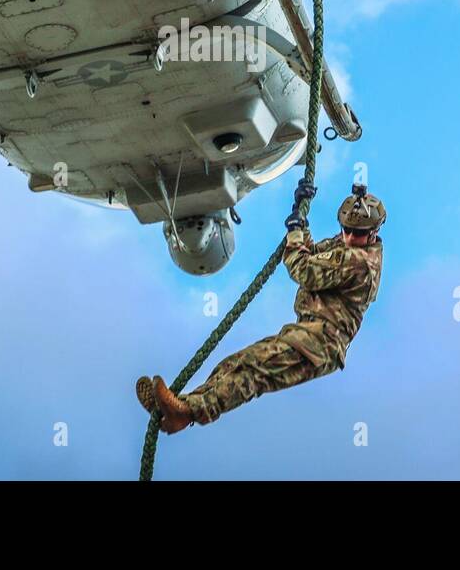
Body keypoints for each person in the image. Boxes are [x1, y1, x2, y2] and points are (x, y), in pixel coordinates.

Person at [136, 184, 386, 431]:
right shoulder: (347, 247)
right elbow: (313, 252)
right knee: (237, 363)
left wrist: (295, 234)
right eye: (347, 230)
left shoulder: (360, 262)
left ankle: (189, 411)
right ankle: (181, 408)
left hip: (321, 343)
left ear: (373, 233)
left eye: (358, 233)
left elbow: (303, 269)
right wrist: (300, 216)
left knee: (253, 371)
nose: (351, 237)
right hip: (308, 336)